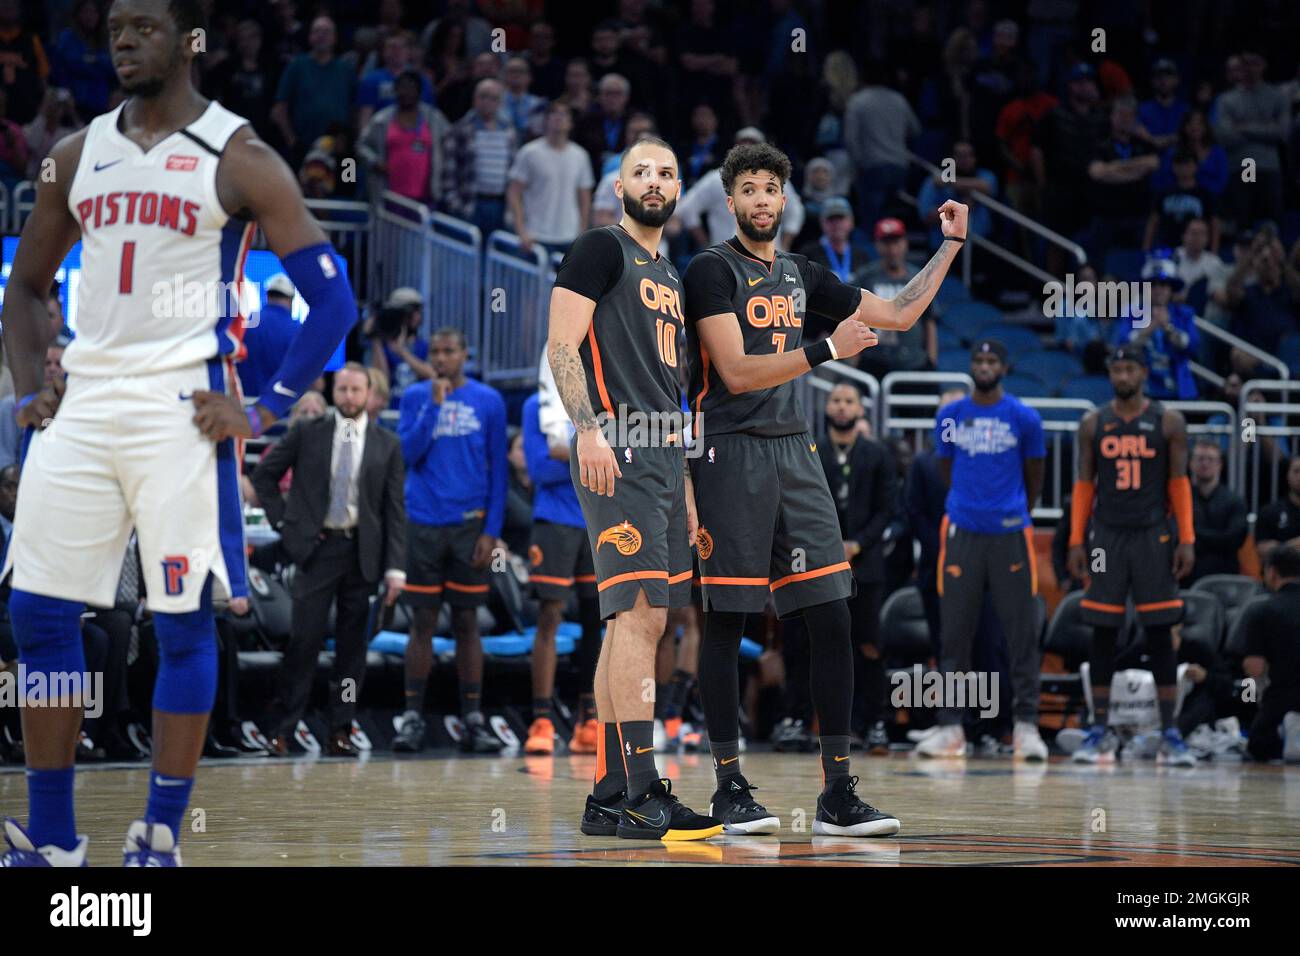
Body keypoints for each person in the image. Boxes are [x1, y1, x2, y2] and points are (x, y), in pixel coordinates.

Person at [0, 0, 357, 867]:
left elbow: (335, 299)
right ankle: (52, 838)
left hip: (180, 406)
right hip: (83, 402)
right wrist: (24, 396)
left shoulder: (240, 155)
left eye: (143, 25)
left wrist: (266, 405)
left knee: (184, 621)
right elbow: (25, 287)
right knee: (37, 613)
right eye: (115, 27)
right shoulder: (73, 154)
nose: (123, 40)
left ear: (188, 38)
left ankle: (160, 835)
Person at [684, 141, 965, 833]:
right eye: (746, 189)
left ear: (784, 202)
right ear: (731, 202)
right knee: (727, 620)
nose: (759, 199)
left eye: (769, 189)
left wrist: (951, 243)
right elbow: (738, 371)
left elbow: (897, 314)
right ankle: (729, 786)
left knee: (833, 614)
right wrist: (828, 349)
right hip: (727, 451)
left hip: (794, 455)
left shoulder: (804, 272)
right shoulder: (709, 269)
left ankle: (837, 792)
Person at [547, 134, 719, 841]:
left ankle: (608, 796)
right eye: (640, 171)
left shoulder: (672, 274)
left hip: (658, 460)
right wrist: (588, 428)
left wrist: (681, 479)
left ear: (679, 190)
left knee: (632, 622)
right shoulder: (599, 248)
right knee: (643, 617)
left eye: (667, 172)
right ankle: (647, 789)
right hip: (612, 449)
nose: (655, 181)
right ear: (618, 188)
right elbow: (561, 346)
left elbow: (672, 391)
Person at [252, 364, 407, 758]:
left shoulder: (387, 443)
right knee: (303, 642)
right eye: (343, 389)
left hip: (362, 552)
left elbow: (394, 510)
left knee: (352, 650)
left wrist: (395, 568)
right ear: (334, 391)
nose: (349, 396)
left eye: (357, 389)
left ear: (370, 393)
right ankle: (282, 729)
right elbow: (264, 476)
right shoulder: (308, 431)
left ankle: (340, 729)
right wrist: (288, 525)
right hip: (316, 549)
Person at [916, 341, 1049, 760]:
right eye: (978, 359)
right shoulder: (949, 417)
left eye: (992, 360)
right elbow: (946, 469)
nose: (985, 365)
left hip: (1010, 531)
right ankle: (951, 728)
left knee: (1020, 634)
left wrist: (1012, 511)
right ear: (970, 365)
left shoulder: (1024, 418)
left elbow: (1035, 476)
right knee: (953, 634)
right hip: (961, 531)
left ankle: (1026, 726)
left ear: (1004, 366)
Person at [1066, 346, 1198, 766]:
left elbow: (1179, 483)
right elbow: (1084, 485)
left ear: (1143, 372)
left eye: (1130, 368)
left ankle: (1170, 733)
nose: (1122, 375)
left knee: (1160, 629)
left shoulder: (1168, 421)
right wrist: (1075, 540)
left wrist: (1187, 538)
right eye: (1116, 369)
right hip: (1106, 536)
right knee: (1103, 628)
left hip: (1152, 535)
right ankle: (1098, 732)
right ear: (1109, 373)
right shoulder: (1094, 422)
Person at [392, 329, 507, 755]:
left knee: (466, 623)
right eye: (435, 352)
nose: (441, 358)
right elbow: (407, 453)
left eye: (449, 351)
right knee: (421, 624)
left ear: (464, 354)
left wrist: (491, 532)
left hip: (469, 527)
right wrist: (432, 409)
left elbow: (499, 471)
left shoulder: (489, 401)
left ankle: (473, 720)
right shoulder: (415, 397)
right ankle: (411, 719)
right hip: (422, 524)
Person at [520, 387, 602, 756]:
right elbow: (538, 467)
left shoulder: (601, 397)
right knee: (549, 616)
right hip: (554, 521)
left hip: (597, 517)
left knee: (595, 619)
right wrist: (591, 454)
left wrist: (567, 454)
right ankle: (542, 719)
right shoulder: (534, 405)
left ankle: (589, 719)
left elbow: (620, 458)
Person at [816, 383, 897, 751]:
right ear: (827, 407)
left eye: (849, 401)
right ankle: (814, 722)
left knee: (869, 644)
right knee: (822, 642)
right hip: (821, 560)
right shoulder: (812, 450)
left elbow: (888, 510)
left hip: (866, 564)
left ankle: (876, 720)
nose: (842, 407)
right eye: (836, 400)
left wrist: (858, 543)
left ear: (861, 409)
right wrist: (832, 545)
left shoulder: (878, 453)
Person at [851, 218, 937, 379]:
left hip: (913, 362)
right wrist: (854, 360)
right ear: (877, 245)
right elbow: (851, 317)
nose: (892, 249)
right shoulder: (866, 277)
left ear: (905, 243)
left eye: (896, 242)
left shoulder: (918, 278)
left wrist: (931, 360)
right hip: (874, 359)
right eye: (886, 243)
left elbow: (929, 320)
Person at [507, 100, 593, 258]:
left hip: (569, 236)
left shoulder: (580, 156)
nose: (558, 118)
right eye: (554, 113)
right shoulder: (529, 152)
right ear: (546, 120)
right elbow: (514, 193)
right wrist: (521, 231)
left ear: (571, 123)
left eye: (564, 114)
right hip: (535, 235)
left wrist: (582, 233)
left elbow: (584, 198)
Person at [1241, 545, 1300, 763]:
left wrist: (1255, 700)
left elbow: (1253, 667)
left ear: (1272, 572)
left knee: (1259, 746)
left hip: (1283, 700)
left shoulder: (1261, 610)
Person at [357, 69, 450, 208]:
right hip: (388, 196)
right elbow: (360, 146)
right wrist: (375, 162)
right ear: (395, 90)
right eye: (401, 88)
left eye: (410, 88)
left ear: (419, 92)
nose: (405, 92)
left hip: (425, 197)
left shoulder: (434, 118)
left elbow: (451, 141)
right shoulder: (381, 120)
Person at [1111, 257, 1199, 401]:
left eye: (1163, 285)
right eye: (1153, 285)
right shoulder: (1132, 313)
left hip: (1178, 390)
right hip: (1142, 390)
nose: (1158, 290)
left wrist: (1167, 328)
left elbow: (1193, 345)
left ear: (1171, 289)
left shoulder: (1184, 314)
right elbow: (1122, 344)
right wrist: (1150, 327)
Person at [271, 15, 354, 165]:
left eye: (326, 32)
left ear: (334, 38)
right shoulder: (296, 66)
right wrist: (292, 141)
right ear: (310, 37)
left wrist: (349, 139)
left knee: (348, 182)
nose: (321, 35)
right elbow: (279, 109)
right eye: (317, 31)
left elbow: (356, 108)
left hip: (341, 150)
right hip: (304, 148)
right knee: (304, 188)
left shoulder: (346, 69)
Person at [442, 78, 516, 239]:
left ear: (500, 102)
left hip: (501, 206)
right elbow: (448, 173)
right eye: (483, 96)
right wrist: (456, 204)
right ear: (475, 99)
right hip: (470, 204)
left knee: (497, 259)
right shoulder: (459, 129)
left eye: (494, 98)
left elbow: (514, 170)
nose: (487, 102)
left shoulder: (509, 130)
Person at [1188, 439, 1248, 582]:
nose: (1205, 463)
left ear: (1220, 464)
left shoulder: (1234, 501)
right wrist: (1218, 538)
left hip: (1225, 576)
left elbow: (1234, 540)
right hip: (1188, 575)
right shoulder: (1182, 500)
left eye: (1210, 459)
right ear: (1190, 463)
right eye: (1200, 459)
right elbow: (1176, 535)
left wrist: (1195, 534)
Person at [237, 273, 298, 401]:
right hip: (279, 409)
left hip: (243, 406)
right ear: (291, 299)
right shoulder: (298, 329)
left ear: (267, 295)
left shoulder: (246, 322)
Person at [796, 197, 869, 283]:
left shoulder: (861, 256)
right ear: (822, 223)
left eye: (841, 219)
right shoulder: (808, 254)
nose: (837, 224)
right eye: (831, 220)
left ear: (851, 222)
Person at [1255, 454, 1300, 566]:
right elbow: (1264, 551)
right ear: (1287, 475)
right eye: (1296, 471)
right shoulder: (1270, 512)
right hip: (1280, 576)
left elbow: (1275, 550)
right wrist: (1294, 545)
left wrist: (1282, 547)